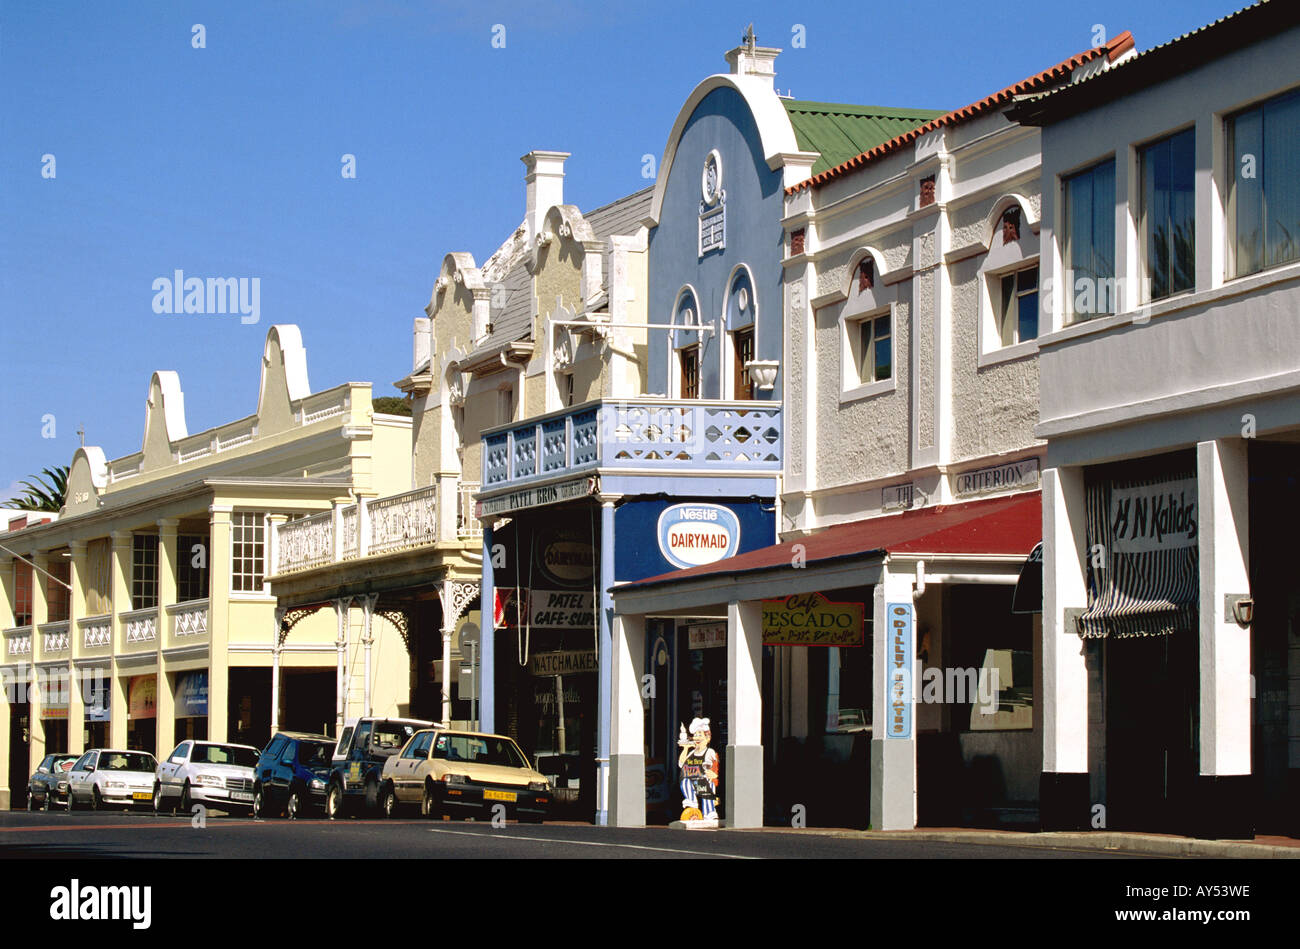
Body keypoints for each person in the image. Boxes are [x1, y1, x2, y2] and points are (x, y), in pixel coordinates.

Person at [677, 717, 719, 822]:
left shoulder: (709, 752)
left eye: (700, 735)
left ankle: (709, 813)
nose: (697, 738)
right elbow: (681, 763)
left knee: (704, 784)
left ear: (707, 738)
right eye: (695, 735)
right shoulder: (692, 753)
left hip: (705, 782)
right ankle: (692, 804)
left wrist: (714, 774)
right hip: (693, 781)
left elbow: (714, 765)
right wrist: (686, 748)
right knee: (685, 781)